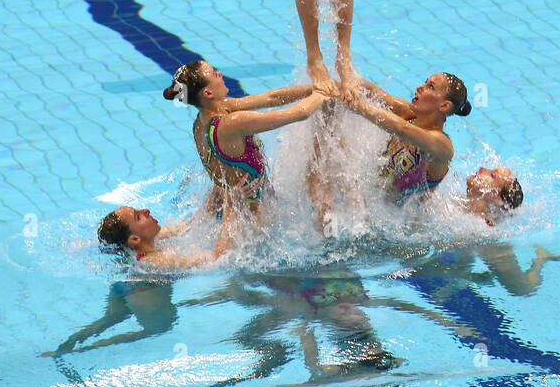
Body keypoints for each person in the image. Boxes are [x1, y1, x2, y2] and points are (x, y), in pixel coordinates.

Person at [165, 60, 328, 218]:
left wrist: (314, 89)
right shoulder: (231, 124)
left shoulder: (201, 122)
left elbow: (274, 97)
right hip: (255, 222)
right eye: (215, 74)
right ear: (208, 93)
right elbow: (301, 113)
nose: (221, 74)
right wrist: (324, 92)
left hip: (229, 212)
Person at [340, 73, 471, 203]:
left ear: (444, 106)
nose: (420, 87)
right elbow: (373, 92)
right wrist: (343, 83)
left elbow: (401, 129)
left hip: (407, 220)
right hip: (374, 198)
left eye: (430, 87)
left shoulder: (441, 145)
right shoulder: (409, 115)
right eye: (425, 82)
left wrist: (355, 105)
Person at [96, 204, 235, 270]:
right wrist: (232, 205)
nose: (146, 210)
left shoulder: (148, 241)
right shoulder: (157, 262)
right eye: (138, 217)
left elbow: (194, 222)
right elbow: (219, 259)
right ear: (135, 240)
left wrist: (221, 185)